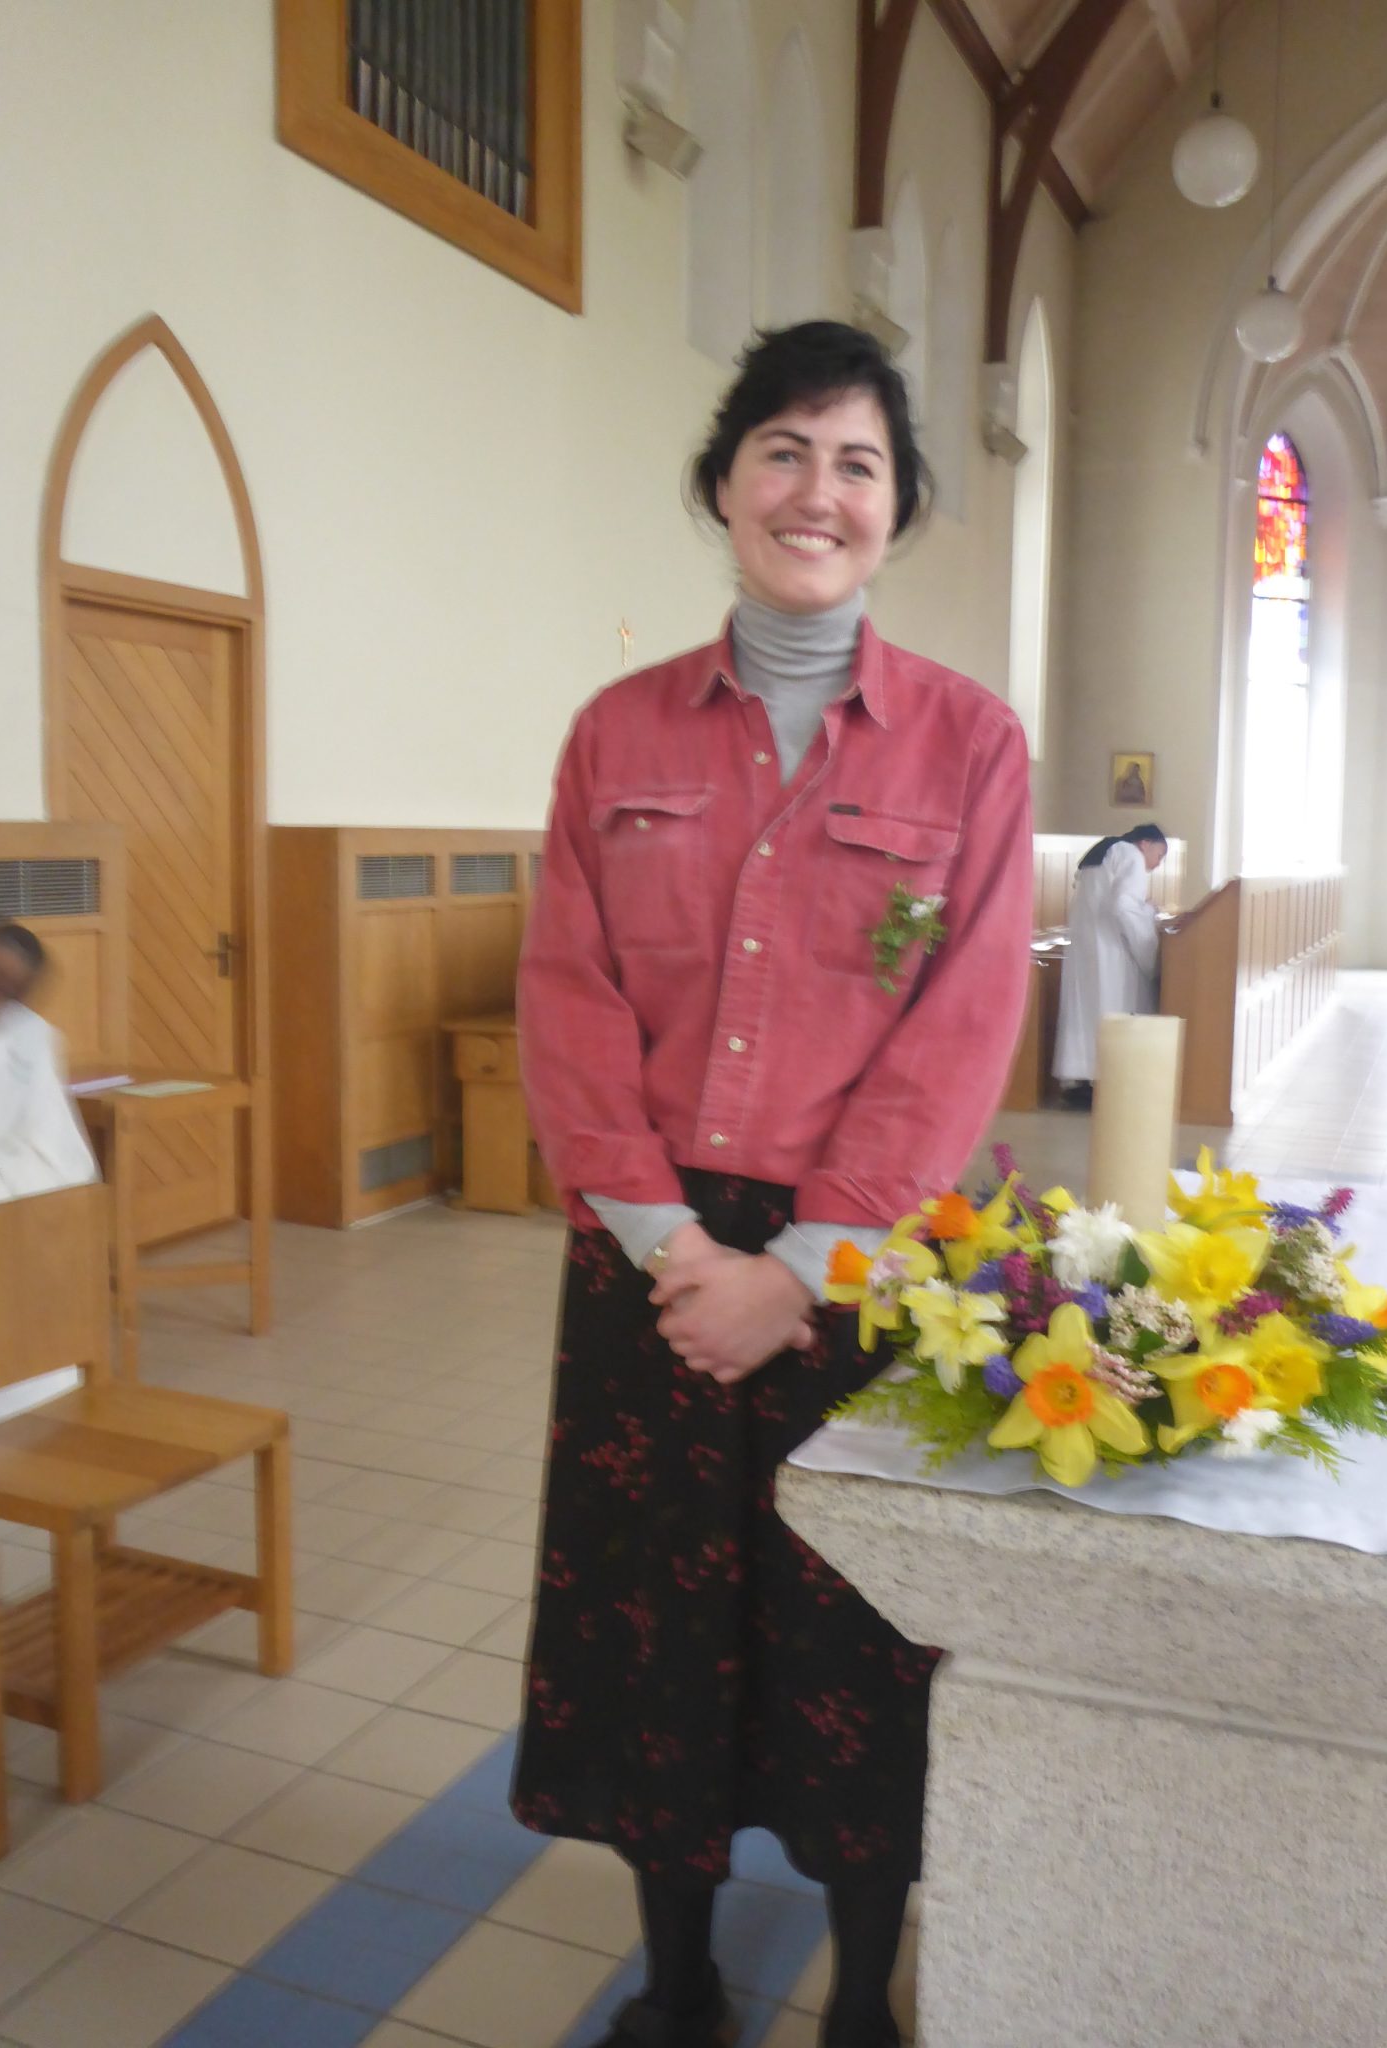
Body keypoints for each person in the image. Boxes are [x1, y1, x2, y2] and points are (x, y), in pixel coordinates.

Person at [511, 322, 1033, 2048]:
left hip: (868, 1264)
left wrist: (798, 1264)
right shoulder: (617, 727)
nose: (820, 490)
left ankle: (864, 1993)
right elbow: (569, 1001)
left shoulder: (969, 744)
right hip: (647, 1253)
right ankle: (678, 1979)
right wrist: (677, 1248)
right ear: (725, 482)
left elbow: (959, 1031)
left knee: (855, 1633)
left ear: (899, 507)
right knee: (658, 1621)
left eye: (859, 461)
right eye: (787, 452)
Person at [1052, 823, 1167, 1109]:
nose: (1157, 864)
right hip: (1111, 951)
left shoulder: (1103, 853)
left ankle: (1081, 1081)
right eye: (1159, 855)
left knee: (1085, 1012)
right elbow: (1123, 907)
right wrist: (1149, 921)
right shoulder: (1130, 855)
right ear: (1145, 844)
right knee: (1111, 1010)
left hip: (1085, 947)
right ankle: (1107, 1081)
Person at [0, 922, 99, 1202]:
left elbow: (46, 1121)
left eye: (10, 988)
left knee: (63, 1177)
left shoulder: (32, 1032)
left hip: (19, 1163)